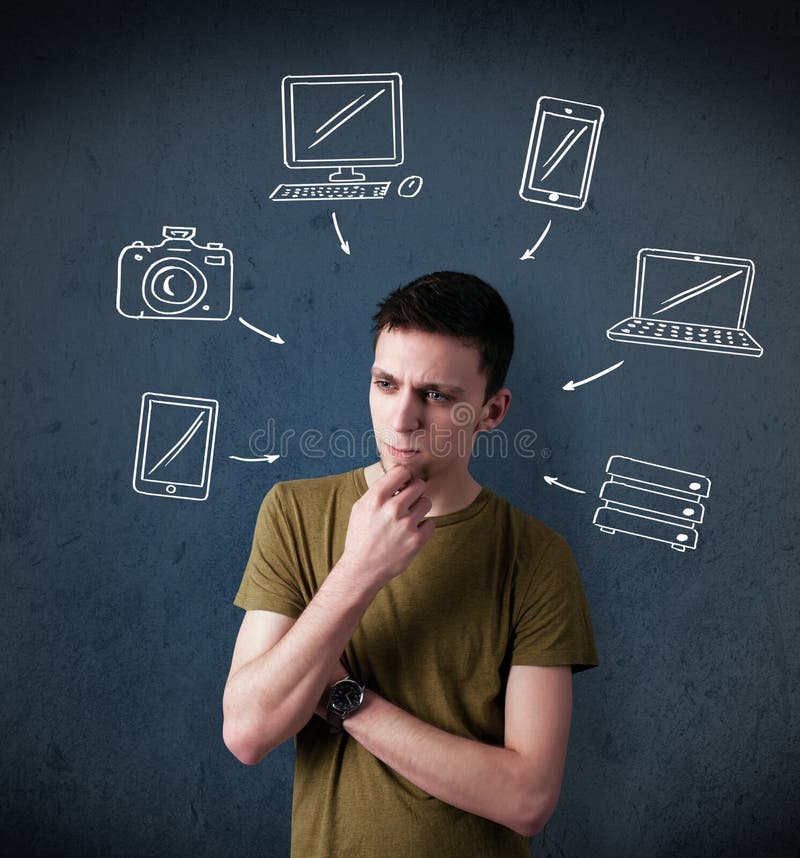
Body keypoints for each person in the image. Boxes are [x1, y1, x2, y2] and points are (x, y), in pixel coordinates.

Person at [223, 271, 598, 857]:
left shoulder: (536, 557)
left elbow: (528, 800)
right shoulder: (295, 512)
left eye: (437, 396)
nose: (401, 420)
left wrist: (344, 698)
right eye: (386, 383)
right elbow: (248, 732)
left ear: (492, 410)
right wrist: (360, 571)